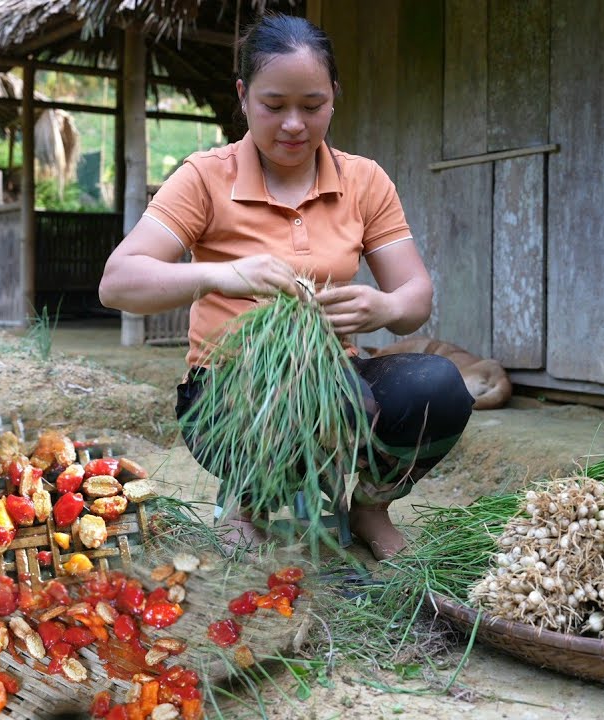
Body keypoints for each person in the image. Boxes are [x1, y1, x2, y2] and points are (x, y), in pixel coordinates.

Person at [98, 14, 473, 559]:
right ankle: (246, 502)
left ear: (335, 98)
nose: (294, 124)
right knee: (321, 403)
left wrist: (383, 305)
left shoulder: (364, 181)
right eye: (274, 106)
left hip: (337, 380)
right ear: (244, 97)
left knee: (436, 387)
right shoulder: (206, 177)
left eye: (312, 105)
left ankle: (369, 505)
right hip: (229, 390)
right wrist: (222, 274)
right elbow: (118, 282)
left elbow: (415, 299)